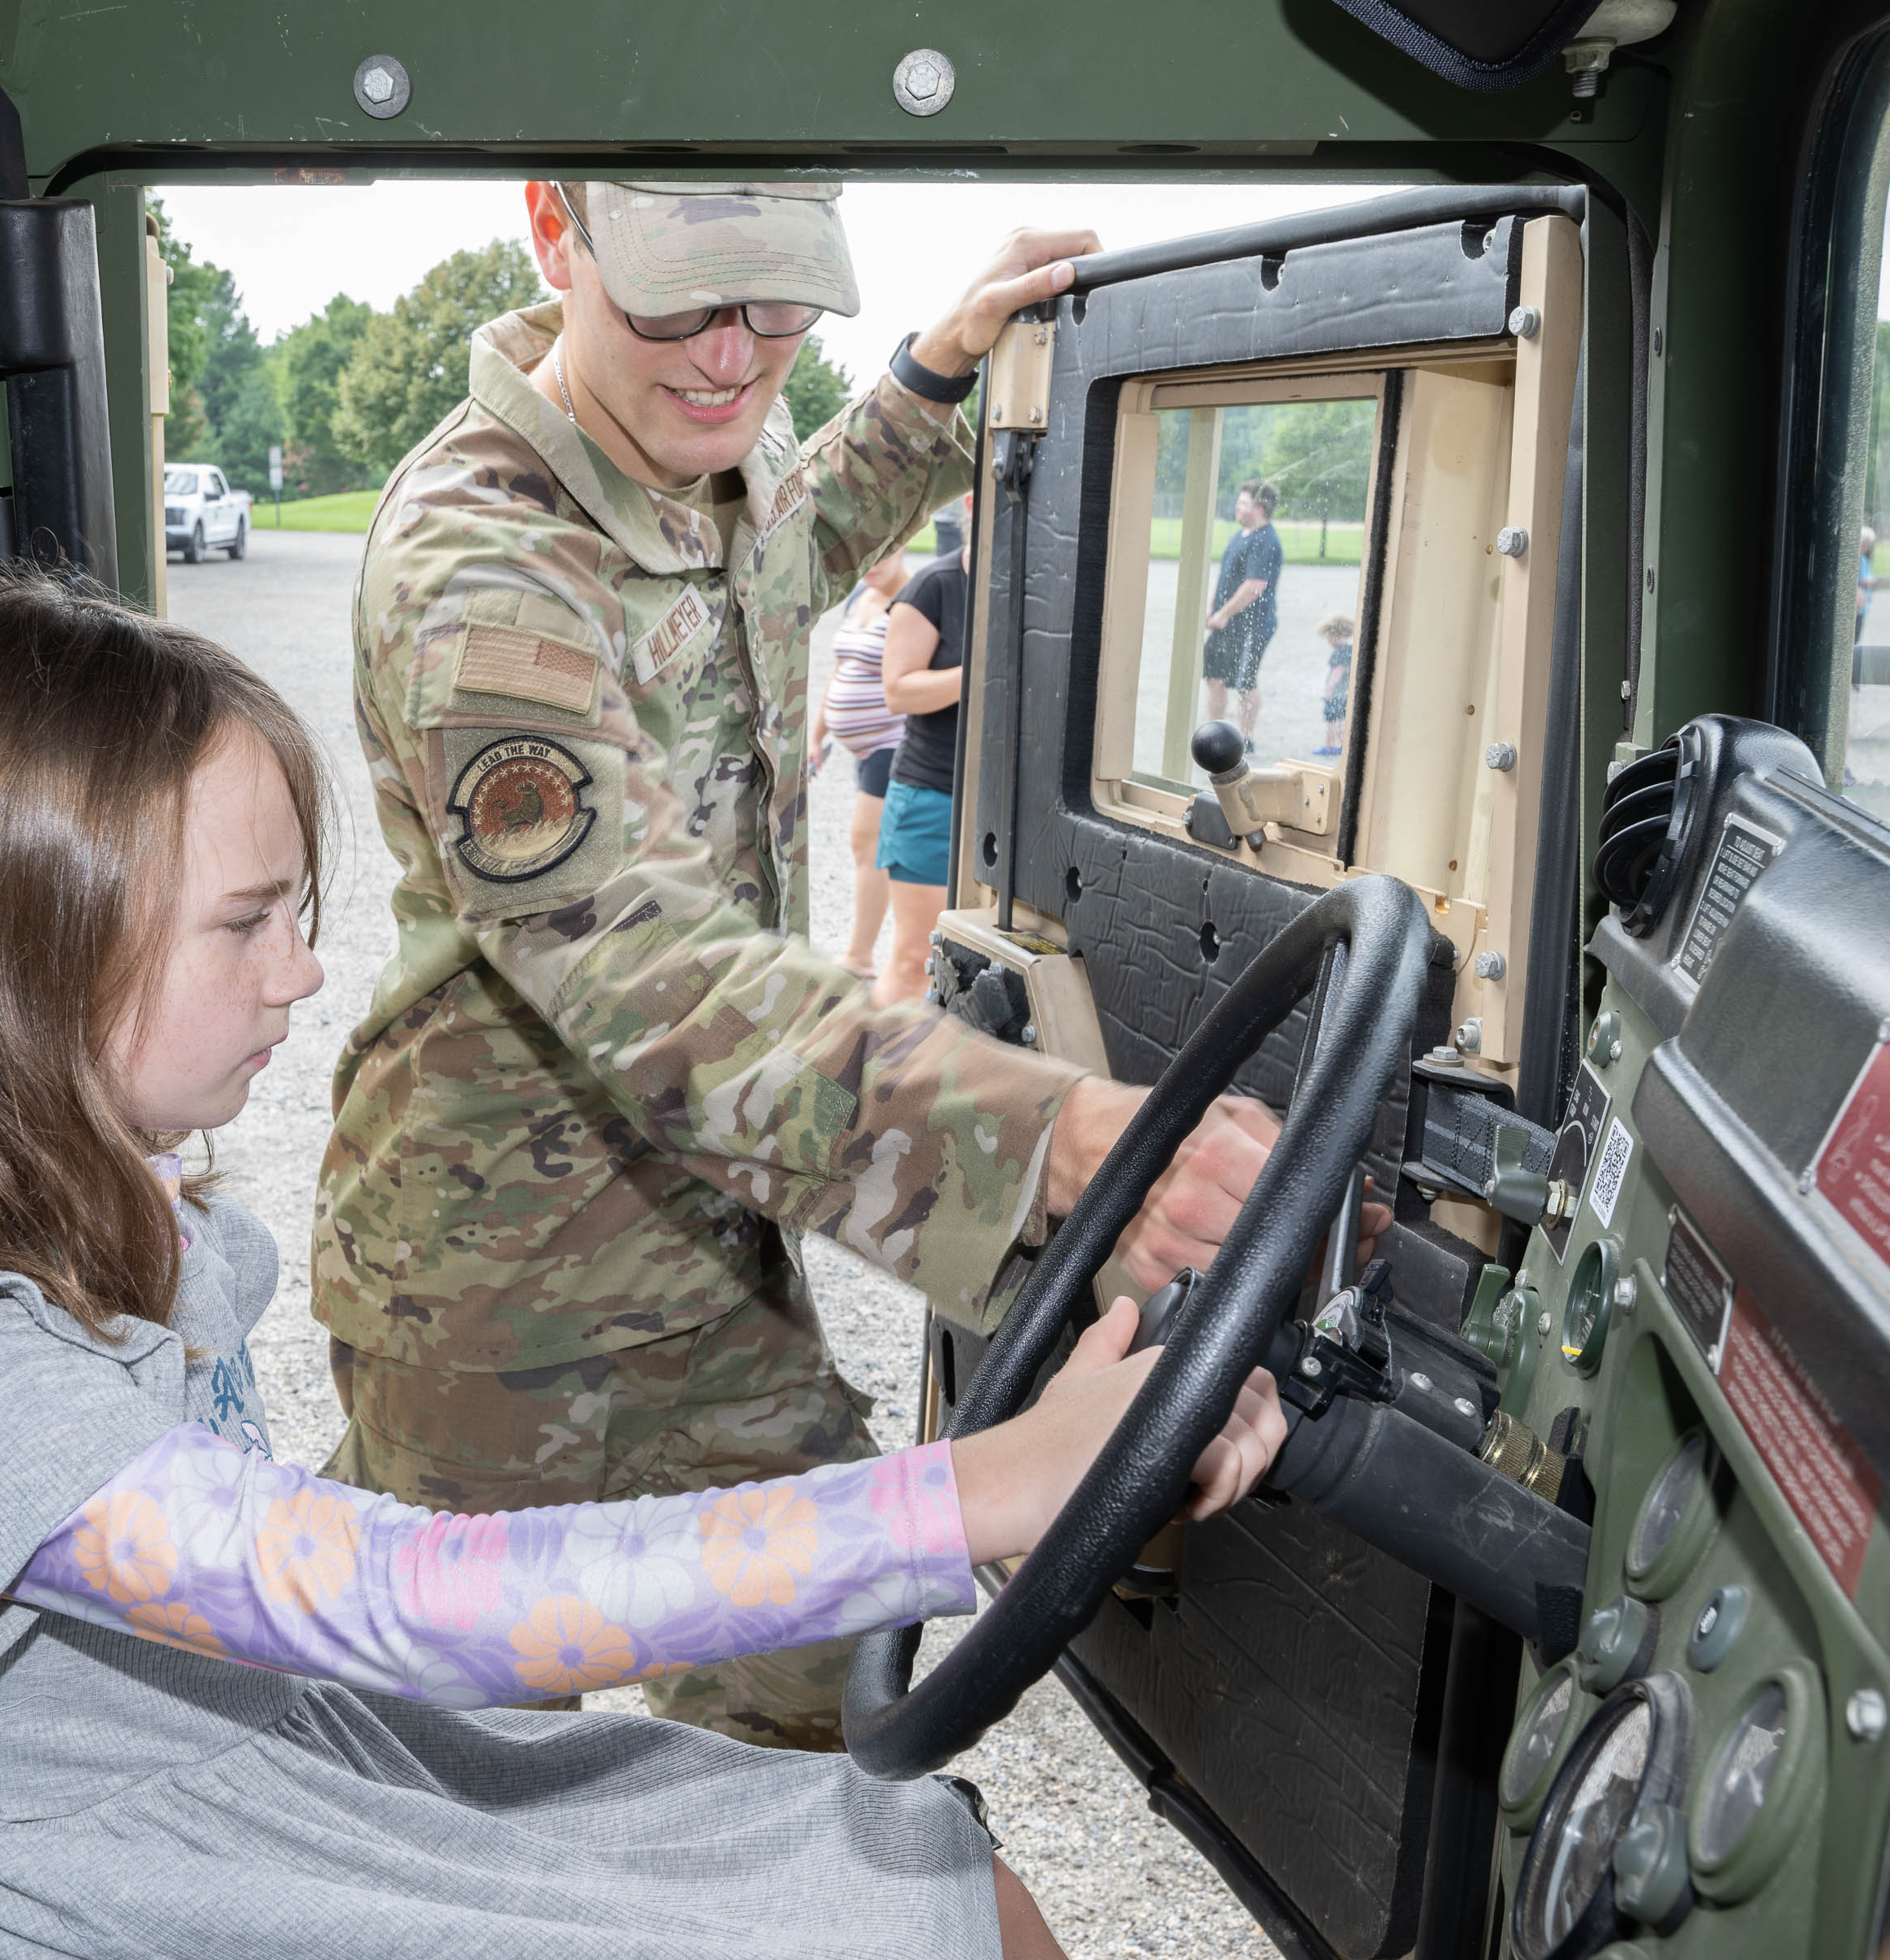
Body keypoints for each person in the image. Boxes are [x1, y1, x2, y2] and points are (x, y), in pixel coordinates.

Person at [0, 569, 1290, 1960]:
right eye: (243, 924)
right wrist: (974, 1494)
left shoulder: (87, 1198)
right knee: (899, 1907)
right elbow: (407, 1603)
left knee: (912, 1863)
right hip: (105, 1899)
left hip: (241, 1791)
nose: (305, 974)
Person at [318, 180, 1352, 1754]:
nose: (736, 356)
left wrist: (934, 372)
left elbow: (789, 541)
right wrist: (1074, 1142)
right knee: (473, 1790)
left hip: (712, 1258)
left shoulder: (694, 446)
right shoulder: (478, 573)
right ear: (554, 228)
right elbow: (655, 981)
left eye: (780, 302)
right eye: (683, 302)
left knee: (823, 1741)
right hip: (492, 1304)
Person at [876, 506, 971, 1009]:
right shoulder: (934, 586)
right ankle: (871, 1060)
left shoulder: (1043, 587)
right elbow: (898, 691)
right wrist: (982, 669)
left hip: (1013, 810)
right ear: (973, 506)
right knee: (917, 959)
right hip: (933, 798)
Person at [809, 553, 909, 978]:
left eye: (887, 551)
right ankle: (867, 952)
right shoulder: (860, 598)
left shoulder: (913, 600)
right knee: (873, 844)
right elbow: (841, 670)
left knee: (867, 841)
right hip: (863, 749)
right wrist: (817, 735)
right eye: (871, 551)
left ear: (904, 544)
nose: (874, 562)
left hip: (894, 741)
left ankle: (861, 955)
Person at [1199, 481, 1284, 734]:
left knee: (1245, 683)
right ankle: (1216, 733)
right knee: (1213, 677)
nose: (1237, 506)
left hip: (1252, 626)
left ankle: (1245, 741)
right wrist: (1212, 609)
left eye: (1243, 503)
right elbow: (1226, 578)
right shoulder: (1240, 535)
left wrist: (1223, 615)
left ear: (1259, 509)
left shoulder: (1265, 541)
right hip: (1227, 622)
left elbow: (1254, 587)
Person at [1314, 612, 1355, 756]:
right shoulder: (1350, 649)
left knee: (1332, 719)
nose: (1328, 640)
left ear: (1335, 635)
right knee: (1342, 718)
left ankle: (1330, 745)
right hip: (1345, 693)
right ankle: (1342, 744)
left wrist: (1329, 688)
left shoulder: (1340, 652)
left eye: (1329, 637)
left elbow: (1338, 671)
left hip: (1337, 693)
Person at [1855, 525, 1877, 642]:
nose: (1866, 548)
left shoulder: (1863, 560)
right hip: (1856, 605)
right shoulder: (1854, 560)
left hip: (1862, 605)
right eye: (1865, 545)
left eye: (1869, 546)